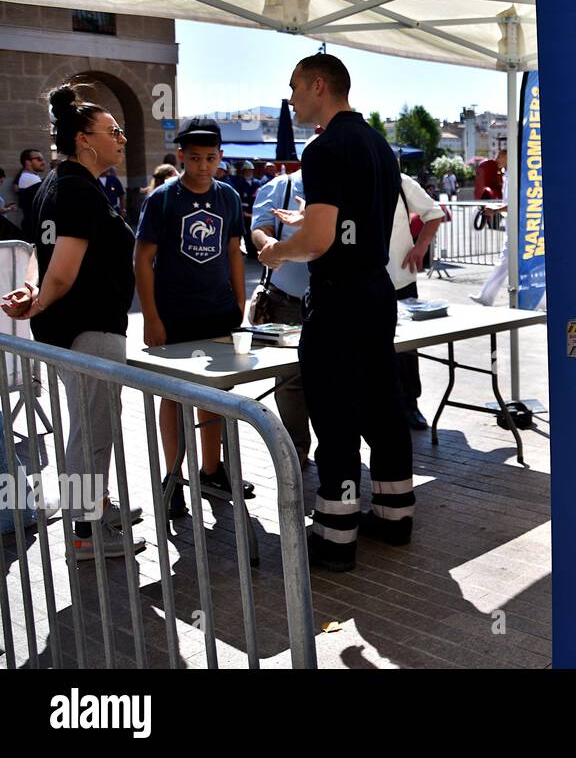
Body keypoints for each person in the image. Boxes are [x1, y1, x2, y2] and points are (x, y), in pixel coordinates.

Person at [259, 54, 414, 572]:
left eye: (295, 87)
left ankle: (335, 535)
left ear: (319, 85)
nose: (292, 97)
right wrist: (305, 218)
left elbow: (322, 241)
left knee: (335, 411)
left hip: (339, 297)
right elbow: (353, 219)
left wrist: (278, 250)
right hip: (377, 291)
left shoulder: (323, 148)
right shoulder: (378, 145)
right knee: (383, 404)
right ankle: (395, 515)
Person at [1, 85, 143, 559]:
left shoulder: (54, 185)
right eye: (113, 131)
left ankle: (96, 508)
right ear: (84, 139)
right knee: (92, 430)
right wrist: (38, 302)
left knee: (90, 426)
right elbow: (61, 270)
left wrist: (31, 295)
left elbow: (40, 260)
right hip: (88, 330)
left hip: (75, 329)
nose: (122, 139)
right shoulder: (77, 189)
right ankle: (86, 533)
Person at [134, 119, 250, 519]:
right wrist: (151, 316)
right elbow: (142, 259)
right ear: (181, 156)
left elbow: (234, 251)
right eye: (195, 158)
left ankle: (212, 469)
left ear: (220, 157)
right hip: (174, 315)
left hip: (219, 313)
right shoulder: (163, 199)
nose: (203, 166)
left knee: (215, 396)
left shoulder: (230, 197)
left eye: (211, 158)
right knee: (173, 397)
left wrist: (240, 300)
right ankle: (172, 477)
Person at [249, 168, 312, 467]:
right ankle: (298, 448)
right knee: (290, 380)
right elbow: (260, 228)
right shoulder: (280, 185)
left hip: (330, 300)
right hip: (287, 300)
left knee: (330, 375)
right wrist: (269, 245)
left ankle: (334, 446)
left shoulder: (340, 181)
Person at [390, 172, 445, 430]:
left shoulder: (399, 180)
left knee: (407, 349)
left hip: (400, 279)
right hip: (359, 281)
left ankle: (410, 404)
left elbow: (434, 213)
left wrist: (421, 246)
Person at [470, 149, 509, 306]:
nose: (496, 159)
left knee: (505, 261)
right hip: (512, 224)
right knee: (506, 262)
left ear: (508, 156)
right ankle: (487, 296)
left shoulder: (512, 175)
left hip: (517, 225)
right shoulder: (507, 175)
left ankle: (487, 296)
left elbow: (516, 202)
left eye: (499, 156)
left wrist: (495, 210)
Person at [16, 148, 46, 240]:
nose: (44, 162)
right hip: (37, 227)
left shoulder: (28, 177)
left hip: (33, 226)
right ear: (28, 162)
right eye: (39, 159)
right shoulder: (31, 179)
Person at [235, 159, 261, 255]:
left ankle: (254, 250)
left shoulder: (257, 183)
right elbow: (238, 199)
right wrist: (243, 212)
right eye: (246, 170)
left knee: (254, 230)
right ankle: (250, 251)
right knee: (246, 232)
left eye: (250, 170)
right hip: (244, 213)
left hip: (255, 212)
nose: (248, 172)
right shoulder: (239, 184)